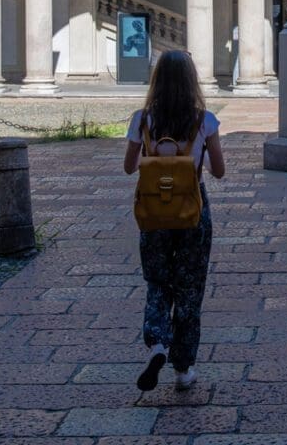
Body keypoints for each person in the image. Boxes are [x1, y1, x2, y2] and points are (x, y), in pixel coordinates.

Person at [124, 50, 226, 391]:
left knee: (157, 281)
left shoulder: (142, 119)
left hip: (153, 213)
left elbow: (128, 167)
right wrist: (195, 162)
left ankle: (157, 344)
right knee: (189, 288)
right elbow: (220, 171)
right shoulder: (204, 120)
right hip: (192, 210)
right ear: (191, 81)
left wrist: (156, 159)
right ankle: (184, 368)